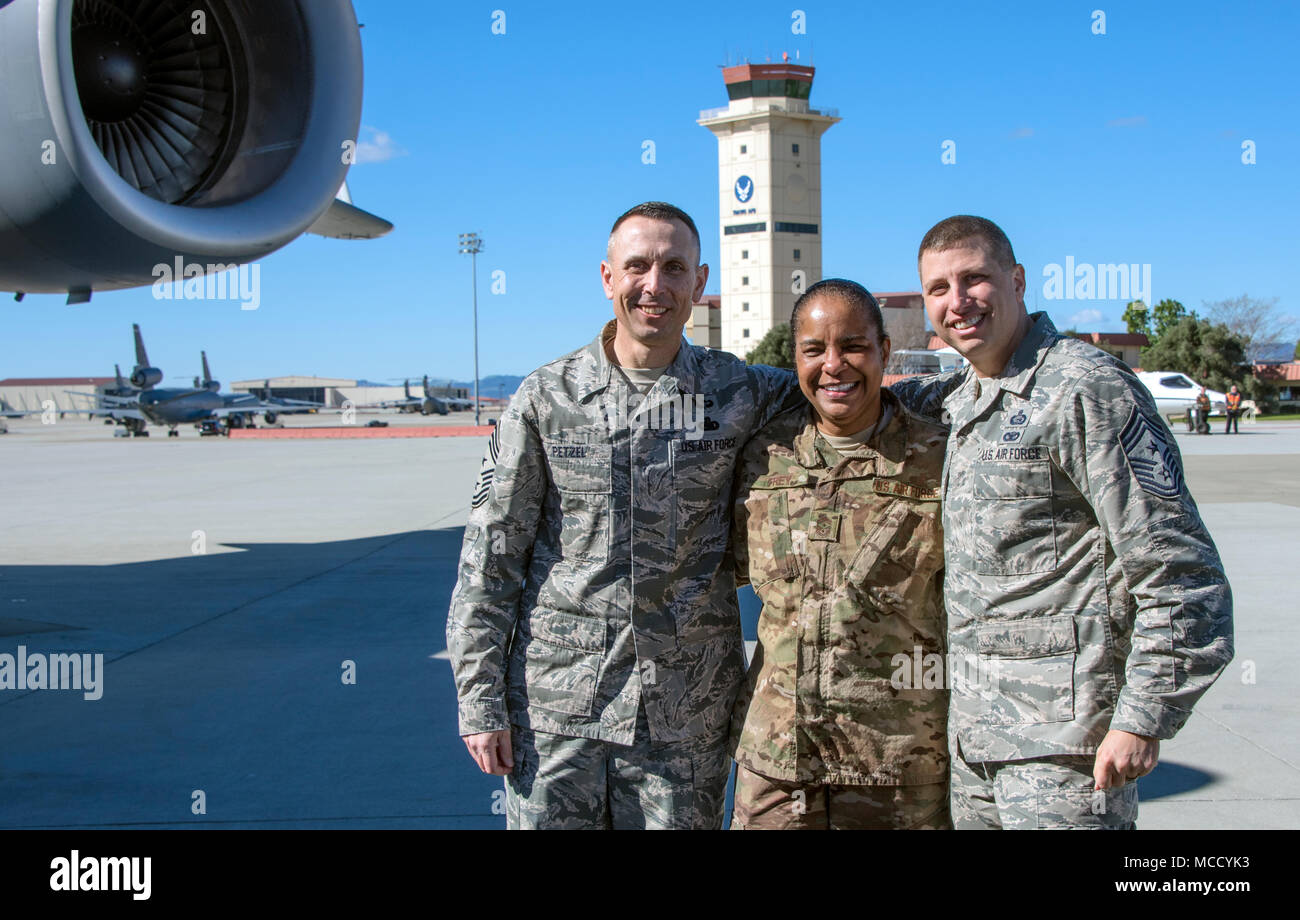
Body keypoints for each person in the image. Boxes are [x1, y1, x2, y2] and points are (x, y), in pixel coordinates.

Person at [445, 201, 801, 829]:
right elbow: (490, 558)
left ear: (700, 281)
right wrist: (480, 703)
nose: (654, 286)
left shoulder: (738, 390)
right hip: (556, 712)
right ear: (608, 278)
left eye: (673, 267)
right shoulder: (546, 397)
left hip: (684, 717)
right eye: (637, 266)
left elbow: (845, 382)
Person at [891, 215, 1233, 829]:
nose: (957, 301)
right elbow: (854, 397)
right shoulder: (960, 397)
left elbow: (1181, 572)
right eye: (938, 289)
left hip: (1067, 751)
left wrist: (1143, 716)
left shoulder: (1086, 389)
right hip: (977, 745)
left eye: (975, 279)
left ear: (1017, 280)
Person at [730, 279, 950, 830]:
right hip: (778, 765)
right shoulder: (762, 456)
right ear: (795, 358)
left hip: (898, 768)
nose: (835, 364)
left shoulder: (939, 458)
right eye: (814, 349)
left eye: (853, 346)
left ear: (883, 352)